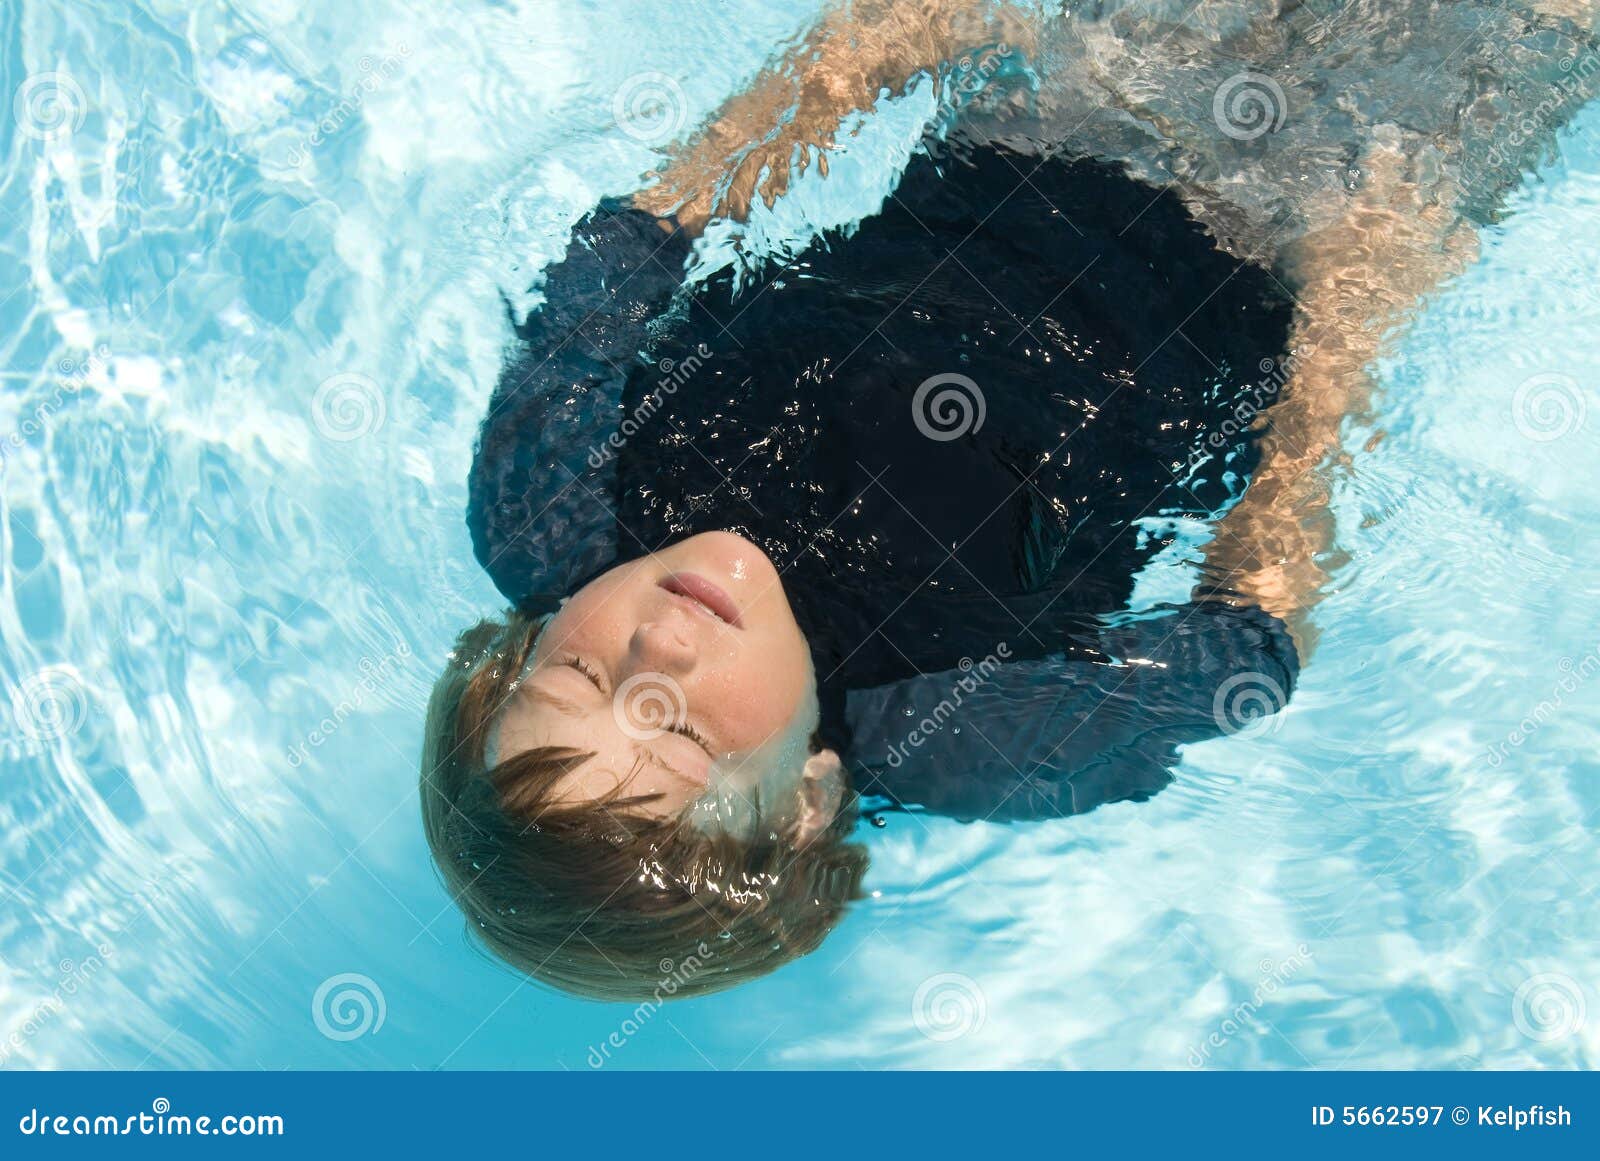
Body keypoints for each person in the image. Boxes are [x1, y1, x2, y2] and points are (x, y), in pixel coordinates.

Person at [421, 0, 1597, 1000]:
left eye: (578, 676)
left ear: (515, 657)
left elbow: (633, 245)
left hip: (1037, 116)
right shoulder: (971, 736)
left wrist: (874, 48)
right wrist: (1353, 318)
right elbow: (1249, 645)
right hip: (1276, 251)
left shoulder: (543, 513)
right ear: (802, 804)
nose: (662, 643)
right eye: (677, 732)